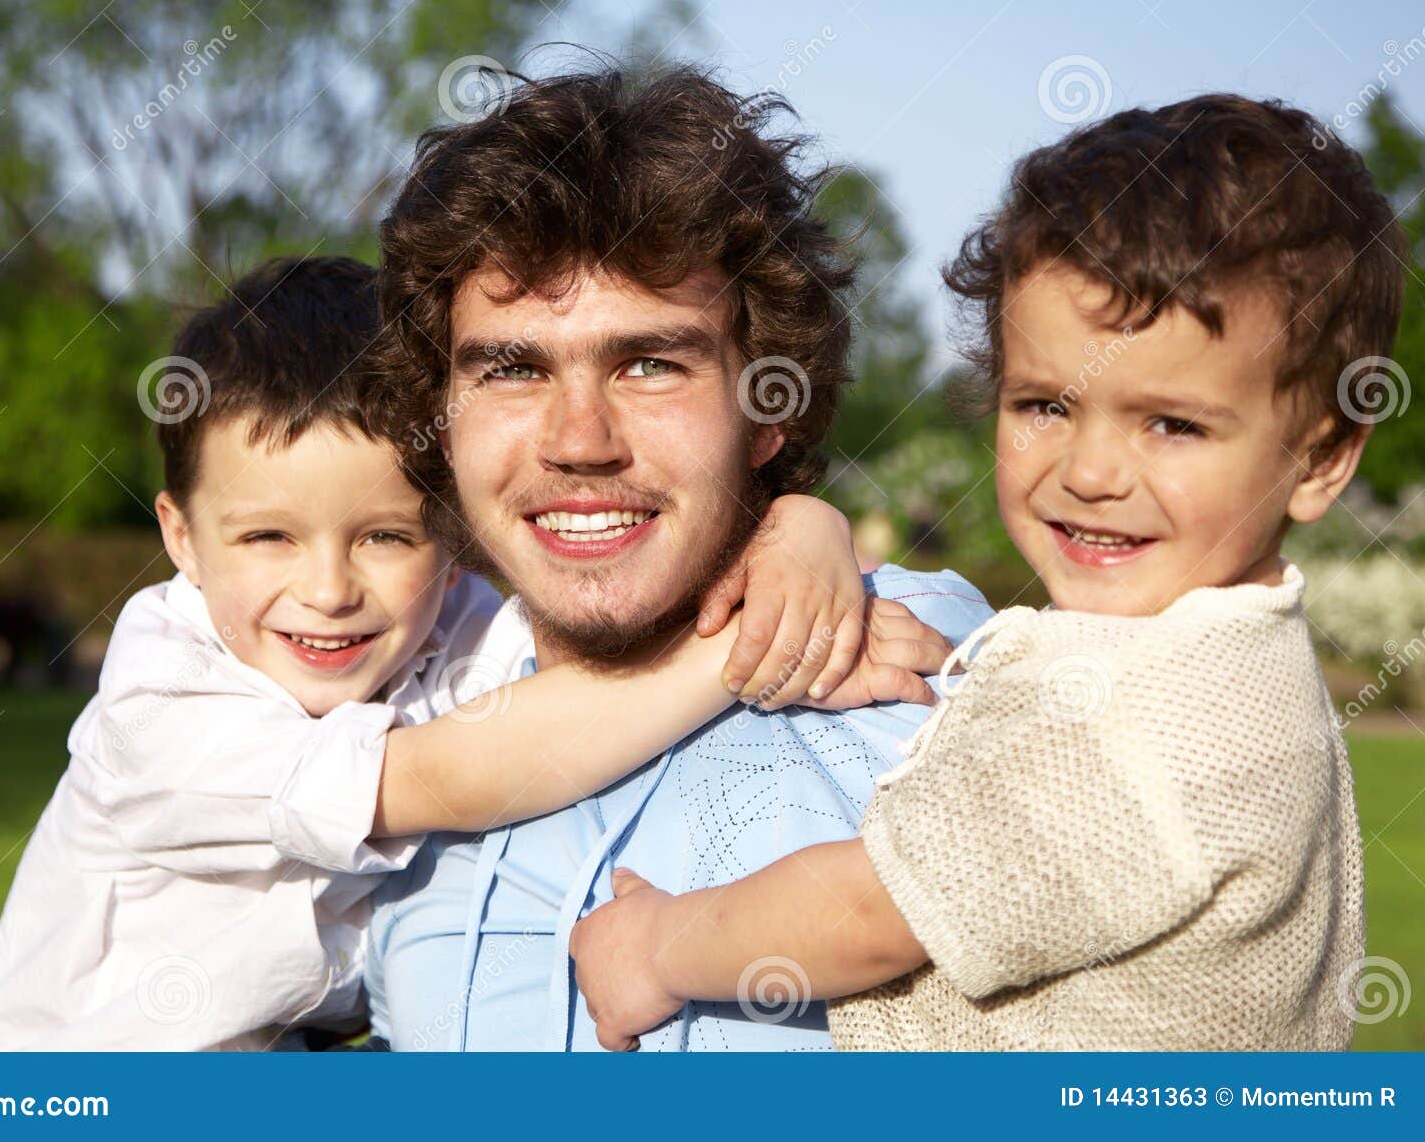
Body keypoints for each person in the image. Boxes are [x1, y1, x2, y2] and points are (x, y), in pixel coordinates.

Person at [0, 257, 944, 1051]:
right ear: (180, 537)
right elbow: (456, 772)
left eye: (385, 535)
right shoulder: (164, 700)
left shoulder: (442, 626)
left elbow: (583, 658)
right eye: (267, 536)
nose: (330, 588)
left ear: (445, 534)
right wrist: (753, 651)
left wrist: (797, 529)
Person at [569, 93, 1404, 1051]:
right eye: (1046, 404)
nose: (1089, 473)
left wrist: (659, 947)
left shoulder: (1158, 727)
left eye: (1172, 423)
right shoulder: (1223, 657)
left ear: (1323, 458)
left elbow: (870, 911)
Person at [358, 67, 994, 1051]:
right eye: (514, 366)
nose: (580, 439)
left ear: (767, 405)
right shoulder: (378, 774)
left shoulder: (943, 682)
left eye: (649, 361)